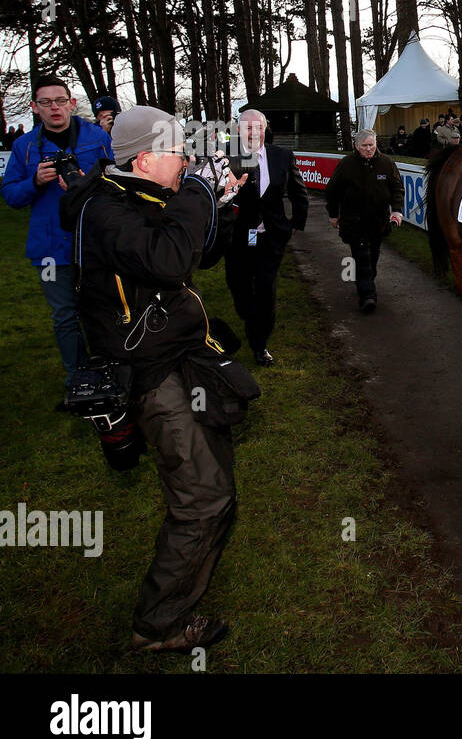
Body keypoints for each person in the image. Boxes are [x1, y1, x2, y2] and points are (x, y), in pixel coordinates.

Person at [60, 105, 250, 652]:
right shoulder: (104, 211)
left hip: (180, 359)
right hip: (154, 374)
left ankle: (165, 612)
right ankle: (158, 626)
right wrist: (197, 190)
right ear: (144, 161)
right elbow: (166, 260)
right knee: (203, 502)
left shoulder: (132, 196)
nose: (186, 160)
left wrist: (222, 208)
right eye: (177, 153)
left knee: (211, 490)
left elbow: (192, 257)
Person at [2, 75, 113, 402]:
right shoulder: (24, 147)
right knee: (65, 316)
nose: (55, 108)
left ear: (72, 103)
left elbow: (118, 184)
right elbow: (10, 196)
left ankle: (110, 373)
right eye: (46, 102)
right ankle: (78, 381)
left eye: (60, 101)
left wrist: (84, 183)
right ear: (35, 107)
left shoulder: (98, 137)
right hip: (51, 249)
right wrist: (34, 182)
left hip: (96, 244)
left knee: (103, 311)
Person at [225, 109, 308, 366]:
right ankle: (247, 313)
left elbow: (298, 191)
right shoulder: (226, 156)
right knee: (239, 284)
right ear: (239, 130)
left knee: (265, 288)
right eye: (248, 128)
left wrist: (295, 223)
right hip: (238, 236)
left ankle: (260, 343)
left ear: (265, 129)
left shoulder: (282, 156)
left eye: (258, 128)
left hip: (271, 236)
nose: (253, 133)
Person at [325, 130, 404, 312]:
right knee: (361, 257)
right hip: (354, 220)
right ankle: (368, 296)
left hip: (378, 220)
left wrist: (397, 210)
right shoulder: (346, 165)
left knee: (373, 256)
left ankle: (366, 284)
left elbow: (397, 188)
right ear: (356, 146)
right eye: (364, 146)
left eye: (371, 145)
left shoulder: (387, 163)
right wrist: (333, 214)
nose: (369, 149)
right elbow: (333, 191)